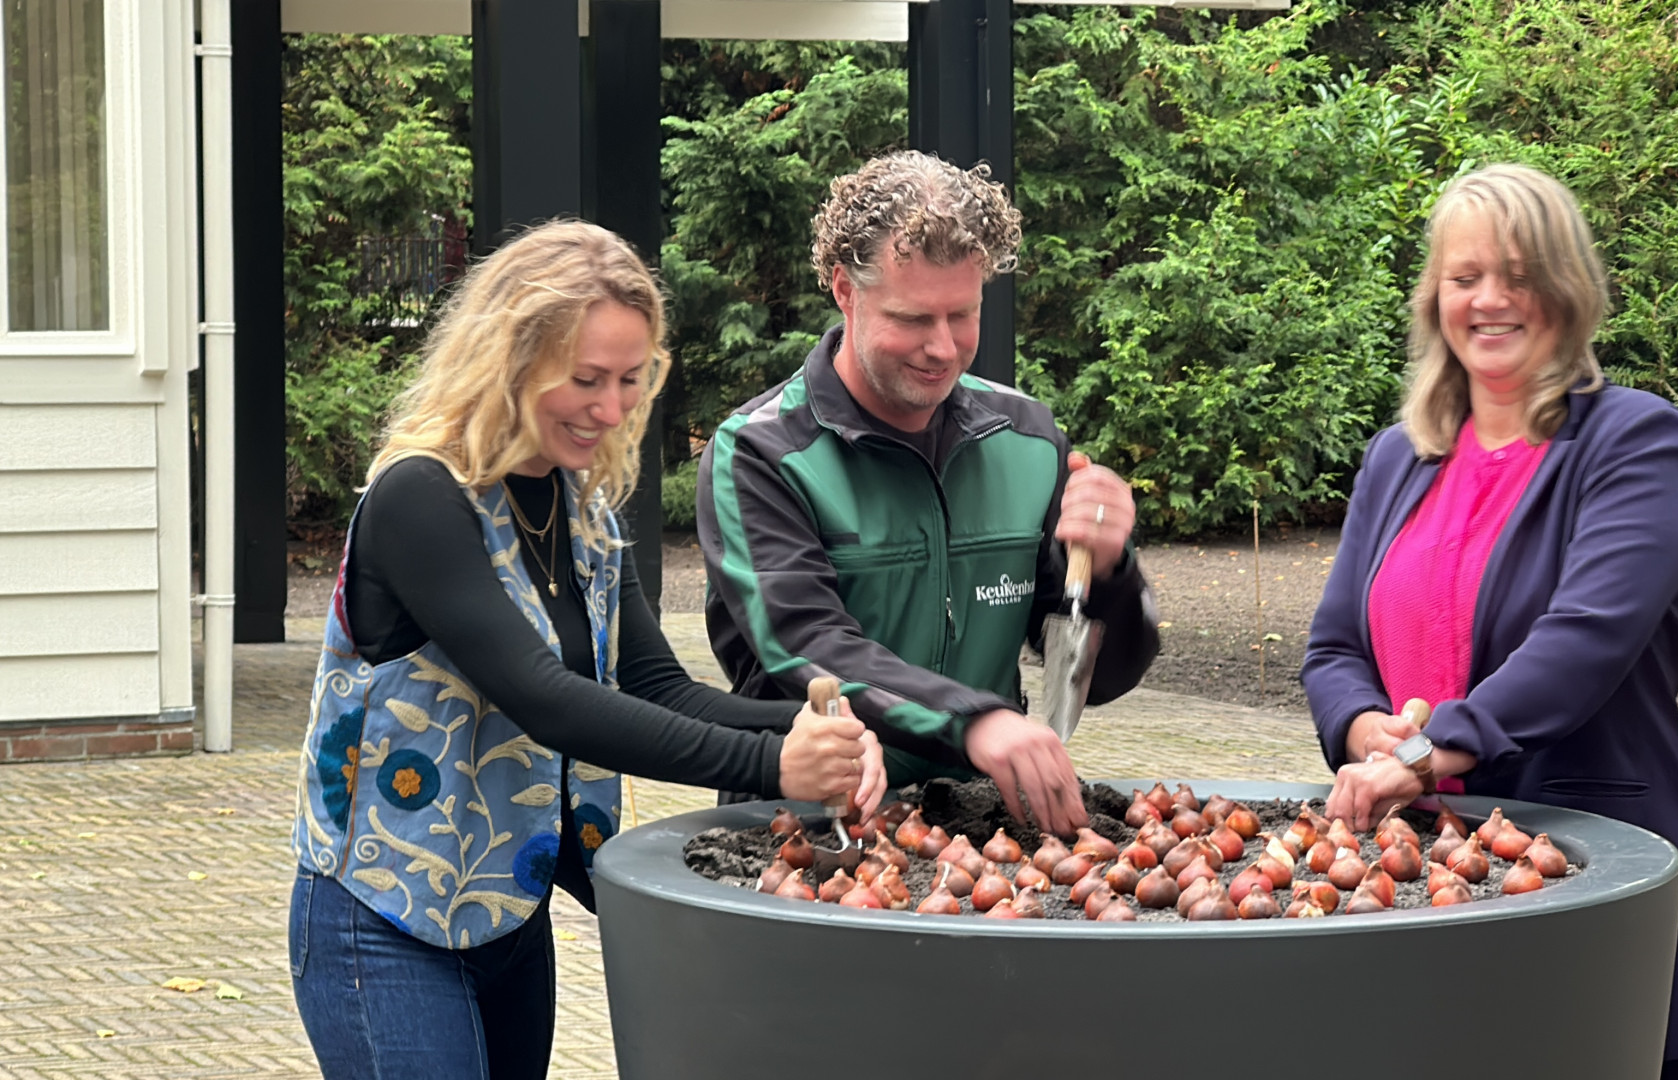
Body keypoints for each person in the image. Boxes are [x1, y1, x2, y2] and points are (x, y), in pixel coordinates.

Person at [287, 220, 884, 1079]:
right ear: (510, 360)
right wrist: (775, 764)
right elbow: (544, 696)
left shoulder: (582, 509)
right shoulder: (419, 495)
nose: (611, 410)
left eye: (631, 381)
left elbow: (657, 689)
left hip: (504, 916)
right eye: (585, 380)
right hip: (381, 924)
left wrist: (821, 726)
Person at [1300, 164, 1678, 1078]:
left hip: (1588, 883)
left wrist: (1423, 751)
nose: (1491, 299)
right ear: (1434, 298)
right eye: (1464, 277)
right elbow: (1333, 647)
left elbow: (1585, 641)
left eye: (1520, 274)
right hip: (1420, 885)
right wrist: (1366, 728)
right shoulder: (1397, 457)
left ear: (1570, 291)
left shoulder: (1636, 441)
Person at [697, 151, 1160, 838]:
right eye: (913, 319)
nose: (942, 347)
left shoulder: (1028, 441)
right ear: (844, 291)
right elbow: (805, 642)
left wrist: (1111, 573)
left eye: (962, 315)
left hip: (977, 830)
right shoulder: (762, 453)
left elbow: (1093, 676)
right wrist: (976, 720)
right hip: (808, 830)